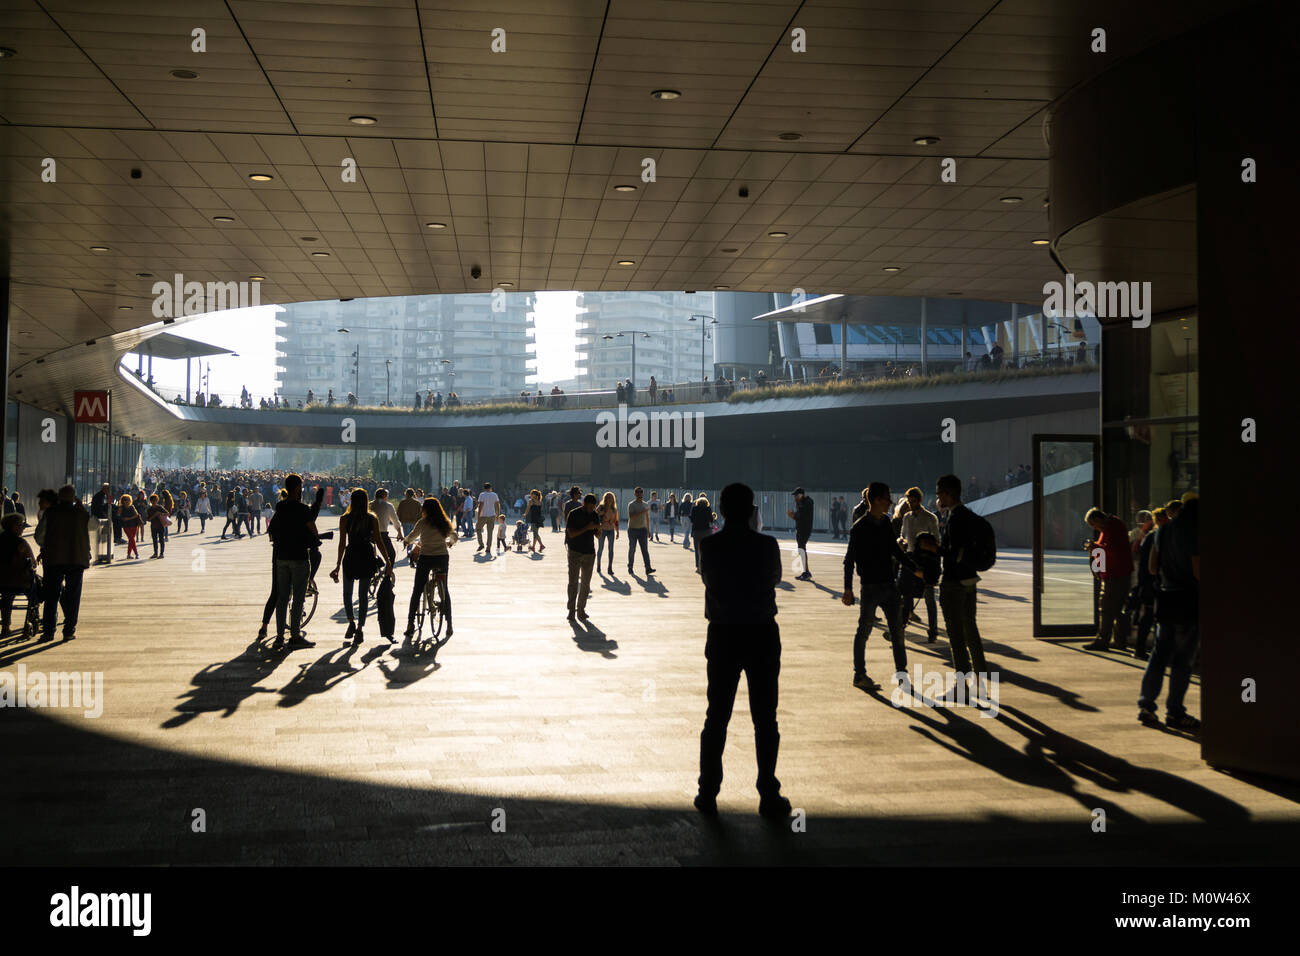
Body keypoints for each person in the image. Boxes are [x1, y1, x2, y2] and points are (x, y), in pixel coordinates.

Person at [694, 482, 791, 821]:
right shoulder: (767, 545)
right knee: (765, 717)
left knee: (716, 715)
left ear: (720, 510)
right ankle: (768, 791)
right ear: (753, 511)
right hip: (761, 631)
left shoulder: (710, 545)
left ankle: (708, 790)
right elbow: (774, 578)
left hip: (723, 633)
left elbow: (711, 582)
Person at [842, 483, 919, 690]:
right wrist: (847, 589)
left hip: (889, 585)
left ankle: (902, 676)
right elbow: (849, 560)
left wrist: (914, 568)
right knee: (864, 632)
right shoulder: (859, 528)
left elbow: (895, 551)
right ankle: (859, 675)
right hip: (870, 587)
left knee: (897, 632)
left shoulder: (885, 523)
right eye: (886, 498)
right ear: (876, 500)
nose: (889, 502)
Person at [1138, 496, 1200, 732]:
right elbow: (1197, 571)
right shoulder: (1194, 533)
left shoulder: (1162, 531)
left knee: (1159, 655)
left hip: (1166, 599)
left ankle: (1146, 705)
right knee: (1182, 661)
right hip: (1188, 600)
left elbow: (1153, 567)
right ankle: (1175, 712)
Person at [935, 474, 989, 700]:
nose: (938, 498)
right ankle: (980, 682)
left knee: (956, 636)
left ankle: (962, 686)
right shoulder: (970, 516)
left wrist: (933, 548)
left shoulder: (955, 519)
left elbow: (951, 553)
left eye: (939, 494)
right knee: (972, 632)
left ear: (948, 494)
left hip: (953, 583)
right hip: (969, 580)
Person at [329, 488, 392, 646]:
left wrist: (337, 564)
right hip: (366, 556)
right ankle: (359, 628)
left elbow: (342, 543)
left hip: (351, 556)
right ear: (365, 501)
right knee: (363, 595)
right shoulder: (372, 518)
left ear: (351, 501)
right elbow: (379, 541)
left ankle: (350, 621)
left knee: (347, 593)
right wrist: (388, 561)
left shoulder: (345, 519)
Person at [266, 474, 319, 651]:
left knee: (282, 598)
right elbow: (314, 530)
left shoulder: (280, 506)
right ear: (297, 488)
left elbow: (272, 531)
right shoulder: (303, 509)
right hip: (299, 557)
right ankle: (295, 635)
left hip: (281, 557)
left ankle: (280, 636)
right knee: (297, 598)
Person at [36, 485, 90, 643]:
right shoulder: (81, 513)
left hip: (54, 559)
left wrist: (47, 546)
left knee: (51, 595)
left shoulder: (51, 513)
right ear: (74, 497)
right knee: (73, 595)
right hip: (76, 559)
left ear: (59, 497)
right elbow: (93, 527)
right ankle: (69, 630)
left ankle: (48, 631)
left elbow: (39, 536)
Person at [403, 498, 458, 641]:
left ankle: (410, 624)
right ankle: (449, 625)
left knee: (417, 589)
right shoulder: (444, 522)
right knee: (444, 589)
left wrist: (406, 541)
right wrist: (450, 543)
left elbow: (412, 536)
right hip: (442, 557)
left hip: (426, 558)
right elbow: (454, 536)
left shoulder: (423, 522)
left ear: (425, 509)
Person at [1083, 507, 1133, 652]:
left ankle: (1103, 640)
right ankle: (1119, 640)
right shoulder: (1112, 526)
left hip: (1115, 574)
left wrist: (1095, 547)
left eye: (1093, 524)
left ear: (1098, 519)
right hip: (1116, 573)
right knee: (1117, 609)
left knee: (1106, 607)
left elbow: (1111, 550)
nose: (1094, 528)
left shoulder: (1112, 528)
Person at [898, 486, 940, 642]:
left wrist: (927, 546)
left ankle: (933, 630)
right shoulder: (907, 517)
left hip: (925, 560)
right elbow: (902, 535)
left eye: (913, 501)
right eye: (909, 501)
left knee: (929, 599)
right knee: (906, 595)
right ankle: (900, 627)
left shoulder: (930, 518)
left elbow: (937, 541)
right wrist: (901, 542)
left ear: (920, 500)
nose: (911, 504)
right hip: (909, 558)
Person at [1132, 507, 1168, 661]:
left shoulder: (1151, 536)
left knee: (1148, 616)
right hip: (1153, 583)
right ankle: (1144, 649)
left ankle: (1141, 648)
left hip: (1149, 583)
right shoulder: (1158, 536)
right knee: (1151, 617)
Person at [0, 513, 38, 637]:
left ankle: (5, 626)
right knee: (35, 589)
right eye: (21, 526)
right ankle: (33, 618)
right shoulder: (21, 544)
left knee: (6, 597)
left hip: (1, 582)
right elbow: (33, 563)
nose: (23, 528)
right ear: (13, 527)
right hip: (20, 582)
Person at [565, 493, 600, 622]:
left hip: (589, 553)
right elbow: (572, 534)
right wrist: (587, 528)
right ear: (584, 504)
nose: (592, 510)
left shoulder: (594, 515)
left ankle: (581, 610)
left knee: (586, 584)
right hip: (575, 551)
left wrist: (599, 528)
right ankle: (571, 610)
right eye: (590, 507)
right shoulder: (574, 514)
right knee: (573, 582)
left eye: (593, 507)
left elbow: (598, 535)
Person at [626, 486, 654, 575]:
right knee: (632, 549)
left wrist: (648, 531)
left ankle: (648, 568)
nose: (639, 493)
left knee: (645, 550)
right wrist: (642, 511)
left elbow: (647, 518)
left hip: (643, 530)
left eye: (641, 492)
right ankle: (630, 567)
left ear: (643, 493)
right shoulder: (631, 504)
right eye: (637, 492)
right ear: (635, 494)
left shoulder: (645, 504)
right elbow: (631, 516)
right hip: (633, 529)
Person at [787, 487, 814, 581]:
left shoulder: (806, 503)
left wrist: (793, 516)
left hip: (804, 529)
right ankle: (805, 571)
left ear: (801, 495)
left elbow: (802, 516)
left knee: (802, 549)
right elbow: (800, 515)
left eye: (796, 495)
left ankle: (806, 572)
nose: (795, 497)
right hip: (801, 528)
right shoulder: (802, 502)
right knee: (801, 549)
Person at [689, 493, 716, 573]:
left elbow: (692, 520)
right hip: (706, 531)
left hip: (696, 531)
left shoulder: (694, 508)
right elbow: (711, 520)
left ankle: (698, 566)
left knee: (697, 550)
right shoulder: (708, 509)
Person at [596, 492, 620, 575]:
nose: (610, 499)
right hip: (602, 529)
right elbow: (595, 515)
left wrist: (617, 531)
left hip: (611, 530)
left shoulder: (614, 509)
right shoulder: (601, 507)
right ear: (605, 498)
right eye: (608, 497)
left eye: (611, 497)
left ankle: (610, 567)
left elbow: (616, 521)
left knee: (611, 549)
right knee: (600, 548)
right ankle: (598, 565)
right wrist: (601, 514)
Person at [146, 493, 169, 558]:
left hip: (161, 526)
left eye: (155, 500)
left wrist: (160, 513)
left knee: (161, 540)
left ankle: (161, 553)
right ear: (150, 501)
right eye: (153, 500)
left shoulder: (160, 507)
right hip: (153, 526)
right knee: (154, 540)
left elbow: (167, 513)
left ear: (157, 500)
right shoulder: (149, 509)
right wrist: (155, 515)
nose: (154, 502)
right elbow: (148, 519)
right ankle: (155, 553)